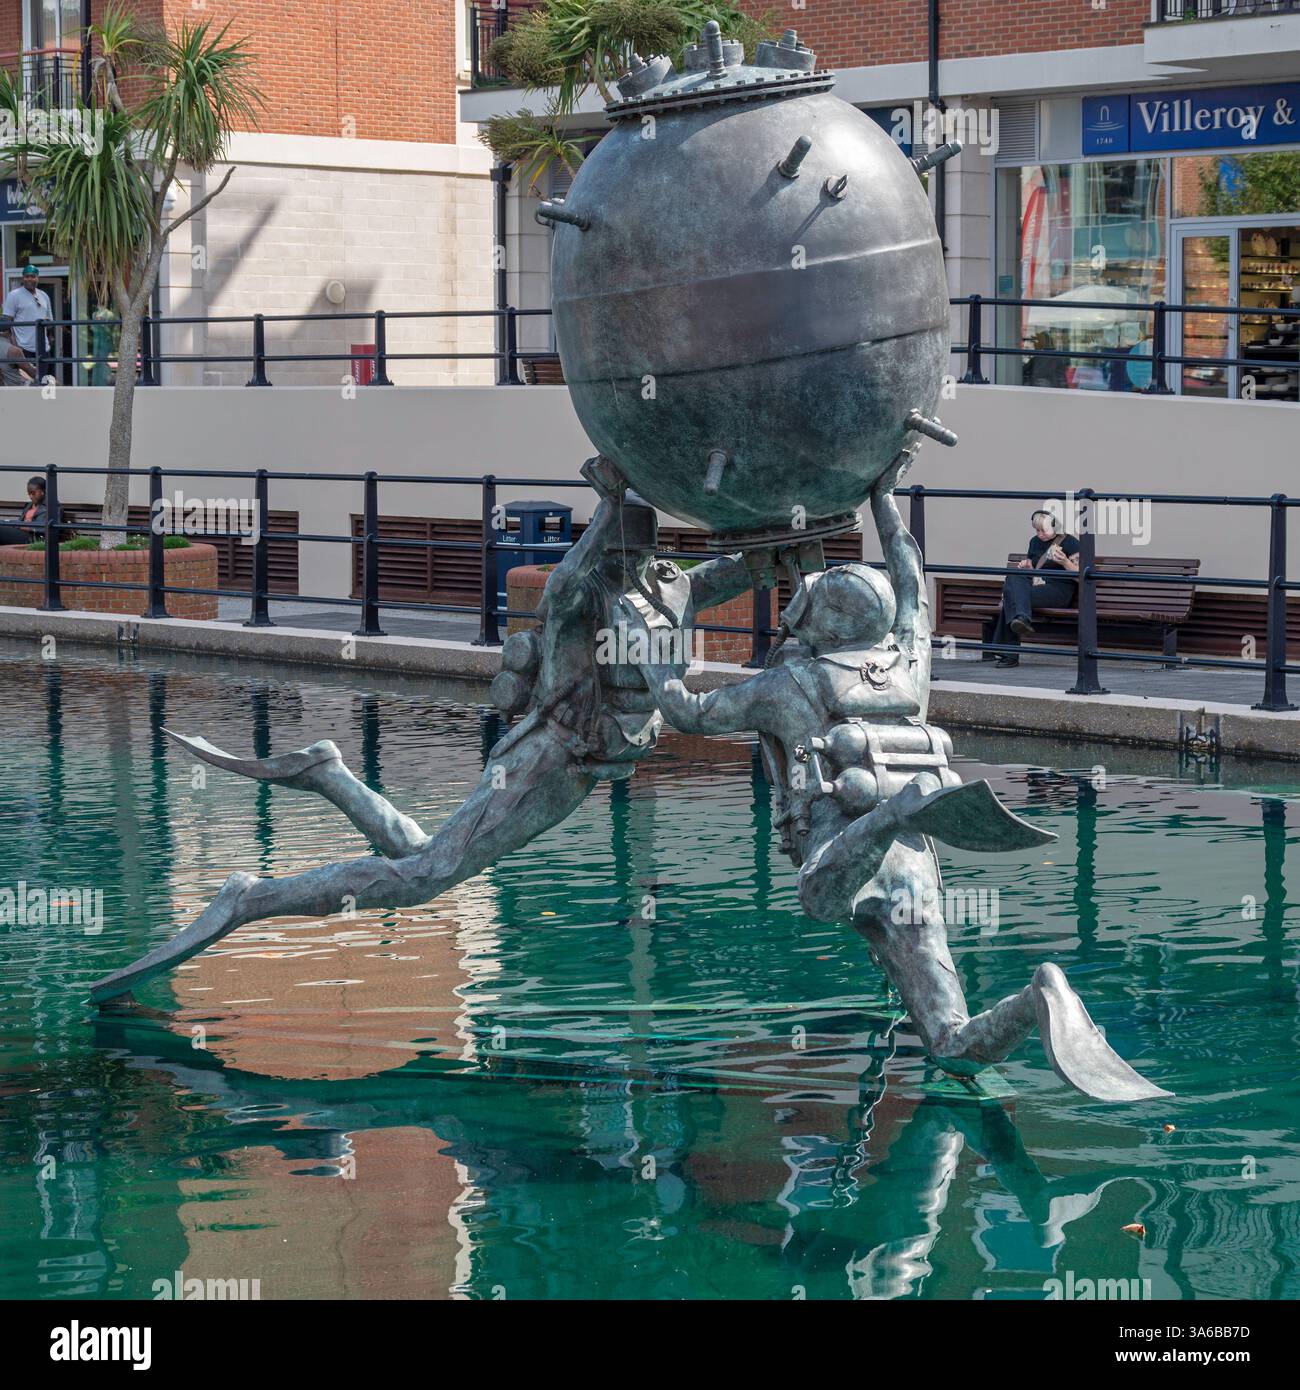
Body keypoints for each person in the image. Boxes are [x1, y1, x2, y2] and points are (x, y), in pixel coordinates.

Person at [88, 456, 754, 1003]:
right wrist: (605, 506)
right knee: (427, 875)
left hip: (590, 767)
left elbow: (735, 574)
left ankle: (328, 772)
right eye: (620, 542)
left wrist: (790, 537)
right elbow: (564, 584)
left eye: (631, 542)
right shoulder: (583, 595)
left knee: (423, 858)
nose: (630, 553)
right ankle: (249, 899)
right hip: (549, 759)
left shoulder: (670, 588)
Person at [630, 451, 1167, 1102]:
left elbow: (685, 711)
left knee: (819, 901)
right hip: (915, 863)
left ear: (818, 623)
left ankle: (889, 813)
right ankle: (1038, 996)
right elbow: (912, 580)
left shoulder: (785, 685)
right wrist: (886, 495)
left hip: (850, 843)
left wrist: (654, 638)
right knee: (948, 1042)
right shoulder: (909, 665)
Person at [986, 508, 1080, 667]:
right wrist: (1027, 565)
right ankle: (1021, 619)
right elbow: (1033, 568)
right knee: (1014, 577)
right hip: (1037, 586)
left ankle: (1008, 655)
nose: (1040, 534)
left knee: (1012, 596)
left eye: (1044, 530)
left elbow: (1080, 576)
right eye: (1037, 530)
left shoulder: (1070, 543)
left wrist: (1065, 562)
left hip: (1059, 590)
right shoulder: (1034, 542)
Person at [2, 265, 52, 365]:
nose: (29, 279)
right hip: (23, 348)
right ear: (22, 278)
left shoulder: (44, 295)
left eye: (33, 276)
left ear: (37, 278)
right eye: (27, 276)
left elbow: (50, 322)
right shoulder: (14, 295)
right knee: (26, 380)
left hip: (43, 348)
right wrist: (15, 346)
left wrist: (47, 323)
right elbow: (6, 323)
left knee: (44, 379)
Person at [0, 475, 46, 545]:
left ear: (43, 492)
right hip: (21, 533)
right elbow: (20, 522)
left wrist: (28, 528)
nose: (30, 496)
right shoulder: (29, 505)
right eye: (29, 493)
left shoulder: (51, 507)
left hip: (35, 537)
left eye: (33, 493)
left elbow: (48, 529)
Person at [0, 317, 35, 386]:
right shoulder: (13, 350)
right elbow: (33, 373)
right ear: (9, 332)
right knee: (53, 383)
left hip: (6, 387)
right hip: (13, 390)